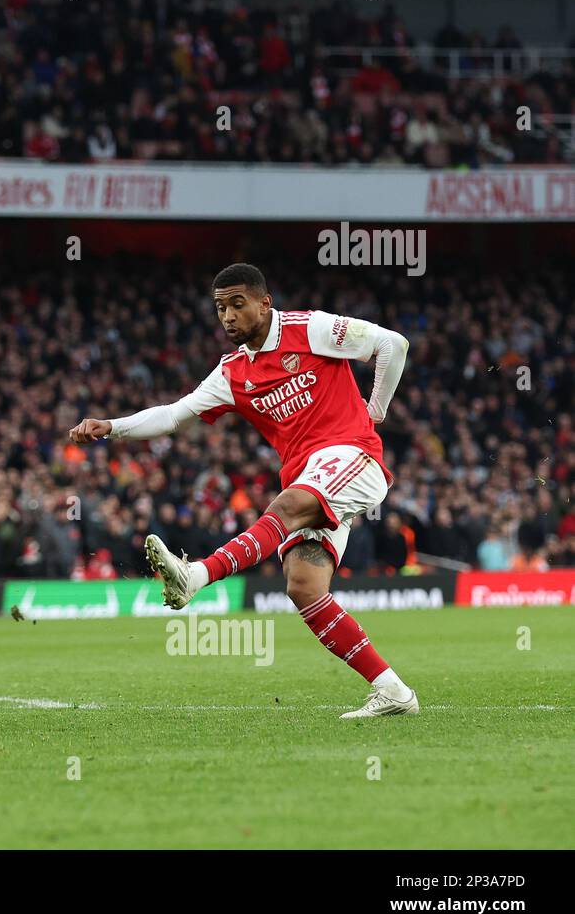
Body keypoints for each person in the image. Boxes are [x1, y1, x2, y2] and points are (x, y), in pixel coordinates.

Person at [71, 262, 417, 719]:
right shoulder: (232, 372)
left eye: (238, 304)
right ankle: (392, 691)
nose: (229, 316)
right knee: (303, 587)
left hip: (352, 457)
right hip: (309, 475)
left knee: (289, 504)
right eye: (220, 308)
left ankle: (195, 577)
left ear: (264, 302)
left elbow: (392, 344)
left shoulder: (309, 329)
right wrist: (111, 426)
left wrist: (375, 409)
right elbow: (174, 415)